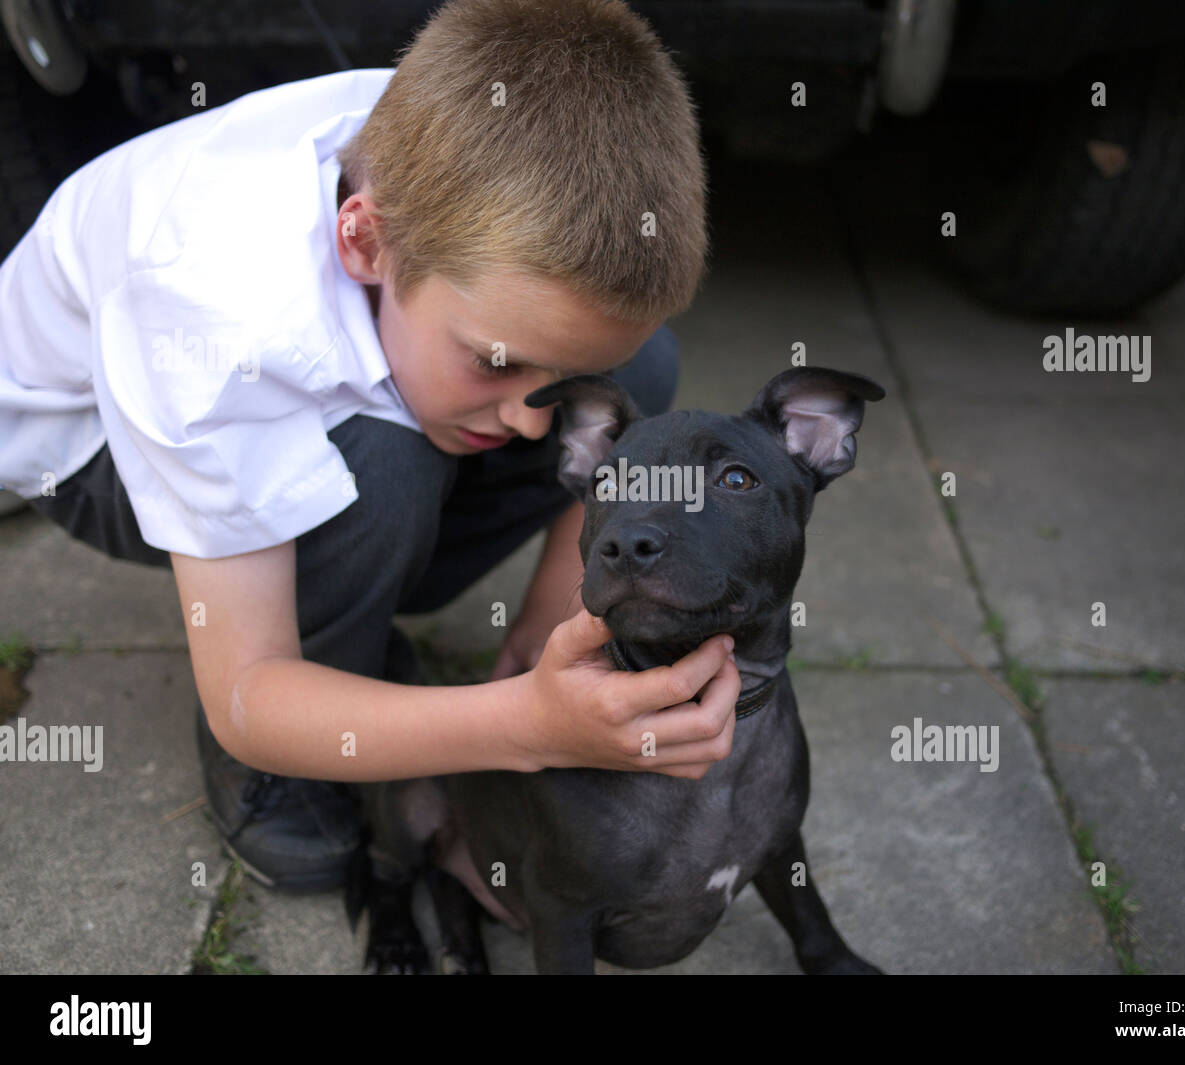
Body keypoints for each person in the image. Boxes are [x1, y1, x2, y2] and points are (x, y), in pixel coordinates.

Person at [0, 0, 739, 892]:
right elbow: (248, 691)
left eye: (548, 388)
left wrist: (555, 629)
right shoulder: (209, 321)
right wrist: (526, 726)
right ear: (364, 239)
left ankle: (368, 596)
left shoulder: (466, 150)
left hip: (308, 367)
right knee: (380, 472)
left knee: (638, 378)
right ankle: (287, 763)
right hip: (88, 448)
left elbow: (556, 374)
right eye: (493, 363)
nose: (534, 426)